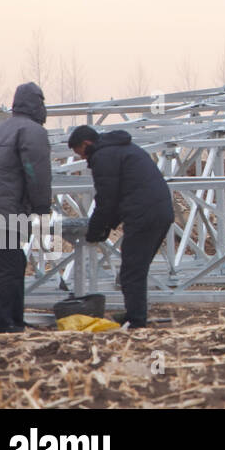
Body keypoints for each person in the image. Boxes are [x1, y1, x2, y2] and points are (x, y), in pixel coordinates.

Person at [68, 126, 175, 327]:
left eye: (79, 153)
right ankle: (134, 314)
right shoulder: (121, 149)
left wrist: (94, 230)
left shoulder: (103, 157)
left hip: (144, 215)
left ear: (86, 144)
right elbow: (118, 196)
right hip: (159, 211)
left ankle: (136, 320)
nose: (82, 159)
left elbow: (106, 199)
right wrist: (105, 227)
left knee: (131, 270)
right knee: (136, 268)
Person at [0, 83, 53, 333]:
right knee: (10, 264)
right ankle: (2, 322)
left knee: (14, 261)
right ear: (37, 104)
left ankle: (14, 319)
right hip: (1, 209)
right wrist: (41, 205)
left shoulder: (2, 128)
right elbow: (36, 171)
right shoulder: (32, 131)